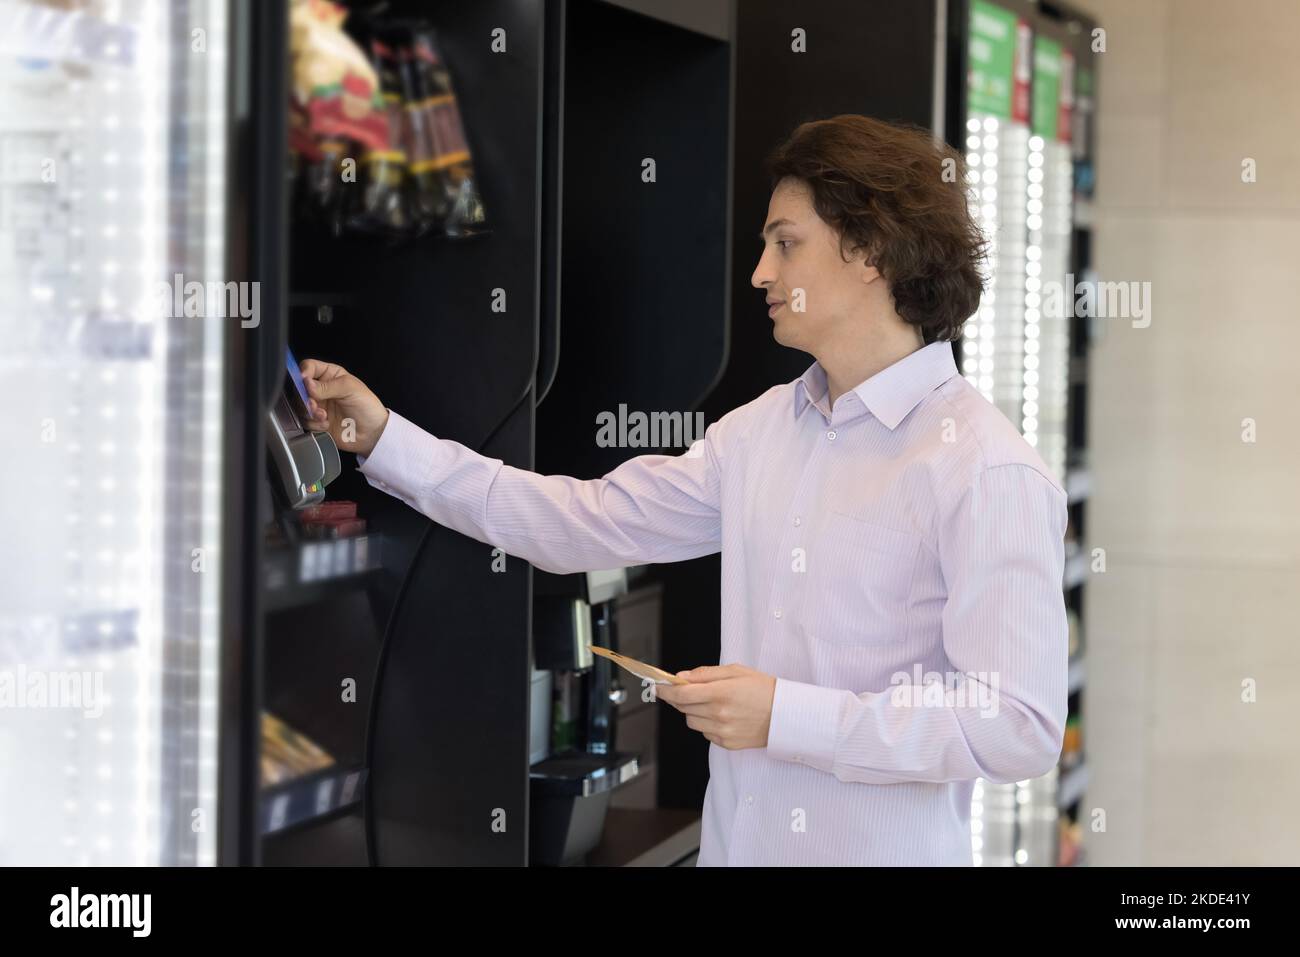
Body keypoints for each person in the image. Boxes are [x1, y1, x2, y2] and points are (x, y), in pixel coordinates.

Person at [299, 114, 1068, 866]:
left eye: (786, 244)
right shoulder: (762, 430)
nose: (761, 272)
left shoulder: (985, 470)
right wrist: (385, 437)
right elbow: (582, 521)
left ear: (869, 250)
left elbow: (1018, 724)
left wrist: (785, 715)